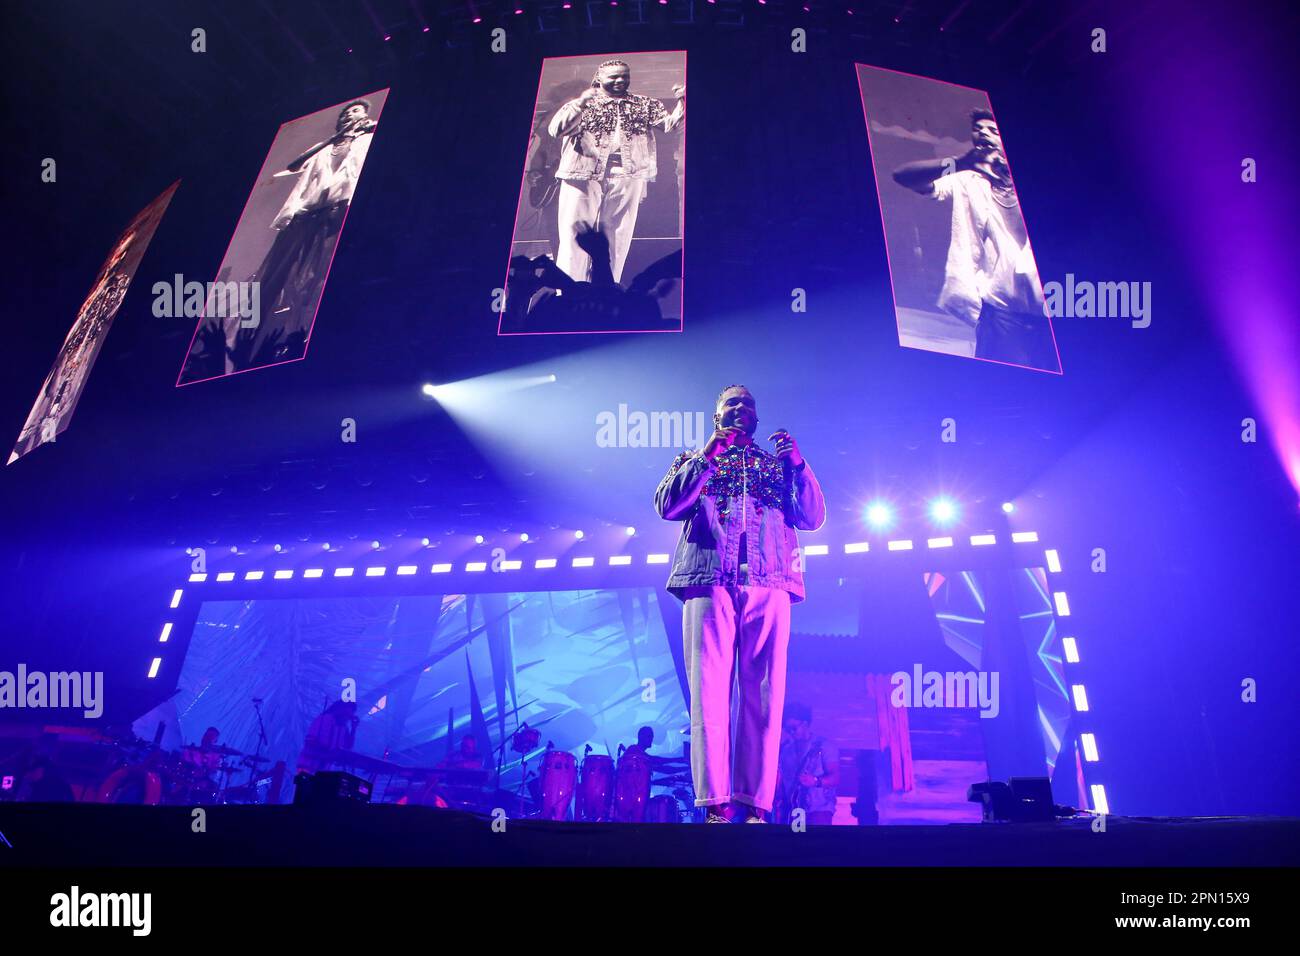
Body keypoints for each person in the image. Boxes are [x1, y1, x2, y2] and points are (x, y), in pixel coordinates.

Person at [654, 385, 826, 823]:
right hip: (709, 578)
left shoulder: (777, 467)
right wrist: (710, 453)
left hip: (770, 583)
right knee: (709, 693)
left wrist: (798, 465)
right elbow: (669, 505)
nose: (740, 409)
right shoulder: (695, 460)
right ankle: (714, 804)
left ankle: (753, 804)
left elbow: (812, 518)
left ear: (756, 417)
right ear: (716, 417)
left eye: (748, 404)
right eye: (731, 403)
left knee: (764, 697)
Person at [891, 108, 1058, 370]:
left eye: (993, 130)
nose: (982, 133)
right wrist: (960, 163)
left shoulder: (1041, 182)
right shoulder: (967, 179)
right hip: (1000, 311)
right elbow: (903, 176)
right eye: (979, 129)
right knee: (1005, 386)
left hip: (1051, 310)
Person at [229, 98, 378, 369]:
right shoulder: (323, 149)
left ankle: (303, 343)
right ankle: (243, 345)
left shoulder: (370, 137)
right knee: (273, 277)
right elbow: (294, 167)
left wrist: (367, 130)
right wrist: (336, 139)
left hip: (339, 212)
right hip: (304, 217)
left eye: (355, 111)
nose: (349, 115)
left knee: (318, 279)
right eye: (345, 112)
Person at [547, 59, 683, 286]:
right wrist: (580, 104)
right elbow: (556, 130)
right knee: (574, 233)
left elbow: (669, 125)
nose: (620, 80)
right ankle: (568, 292)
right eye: (614, 77)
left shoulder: (644, 103)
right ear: (599, 78)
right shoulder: (582, 103)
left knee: (617, 236)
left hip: (628, 173)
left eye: (624, 76)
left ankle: (607, 289)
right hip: (582, 172)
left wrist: (683, 101)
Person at [777, 702, 839, 826]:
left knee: (817, 844)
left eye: (794, 728)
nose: (791, 733)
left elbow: (835, 778)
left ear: (805, 724)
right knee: (797, 845)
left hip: (820, 809)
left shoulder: (824, 746)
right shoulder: (786, 750)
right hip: (794, 809)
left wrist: (816, 781)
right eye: (787, 729)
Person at [296, 700, 358, 775]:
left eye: (351, 715)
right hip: (308, 765)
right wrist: (328, 753)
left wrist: (353, 728)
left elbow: (348, 746)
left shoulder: (343, 727)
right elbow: (310, 742)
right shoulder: (323, 720)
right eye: (348, 713)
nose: (349, 717)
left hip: (323, 770)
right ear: (340, 709)